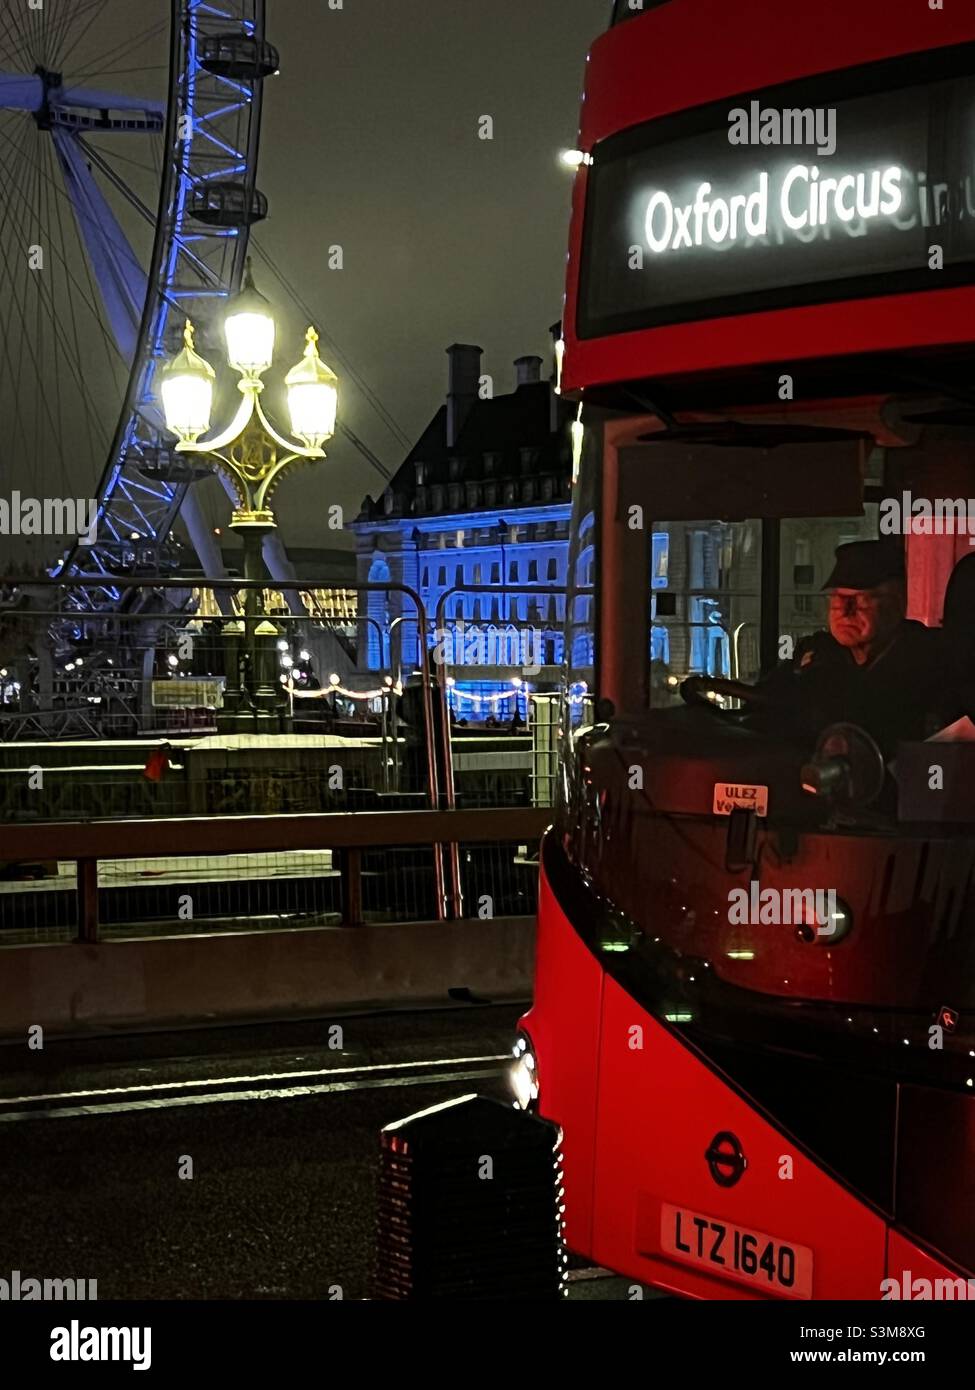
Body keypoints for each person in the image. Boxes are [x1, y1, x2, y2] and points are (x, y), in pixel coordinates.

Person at [761, 540, 956, 756]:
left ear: (897, 604)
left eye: (860, 600)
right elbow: (763, 702)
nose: (845, 612)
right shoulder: (817, 654)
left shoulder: (933, 661)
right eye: (838, 600)